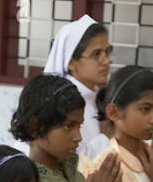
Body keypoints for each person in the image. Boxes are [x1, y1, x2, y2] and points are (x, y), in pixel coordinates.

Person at [43, 14, 113, 162]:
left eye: (107, 52)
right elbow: (72, 162)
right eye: (96, 54)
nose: (106, 61)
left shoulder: (96, 98)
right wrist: (108, 137)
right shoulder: (60, 103)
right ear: (71, 62)